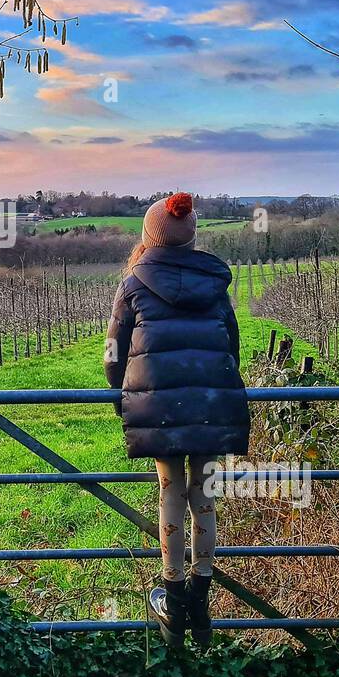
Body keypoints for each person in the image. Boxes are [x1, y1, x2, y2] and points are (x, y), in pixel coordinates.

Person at [103, 192, 250, 648]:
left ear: (150, 236)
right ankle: (201, 599)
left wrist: (122, 397)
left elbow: (113, 354)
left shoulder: (133, 283)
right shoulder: (215, 282)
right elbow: (232, 344)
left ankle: (173, 601)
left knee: (170, 493)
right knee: (204, 497)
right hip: (210, 401)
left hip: (160, 405)